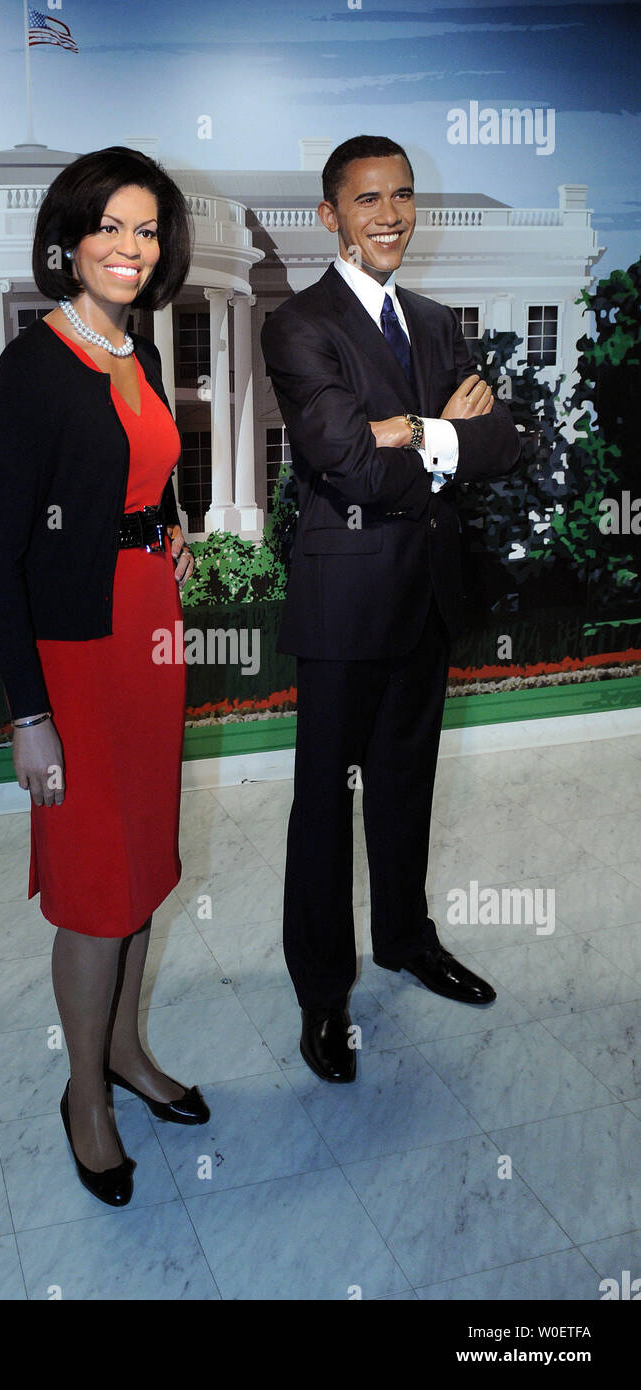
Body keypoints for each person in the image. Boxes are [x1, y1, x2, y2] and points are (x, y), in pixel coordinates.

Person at [260, 135, 521, 1084]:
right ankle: (321, 995)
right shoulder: (298, 325)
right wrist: (446, 434)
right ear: (330, 215)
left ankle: (407, 942)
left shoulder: (436, 318)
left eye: (403, 196)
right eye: (367, 199)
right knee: (324, 806)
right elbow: (343, 461)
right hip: (343, 603)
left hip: (424, 596)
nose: (390, 216)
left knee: (406, 788)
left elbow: (505, 443)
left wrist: (420, 431)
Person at [0, 147, 209, 1207]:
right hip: (75, 657)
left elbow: (145, 476)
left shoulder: (139, 348)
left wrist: (170, 531)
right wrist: (29, 712)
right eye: (111, 227)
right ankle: (85, 1095)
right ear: (69, 239)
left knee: (144, 859)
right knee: (91, 888)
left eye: (148, 229)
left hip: (150, 635)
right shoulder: (35, 365)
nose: (130, 247)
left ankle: (124, 1049)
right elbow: (0, 553)